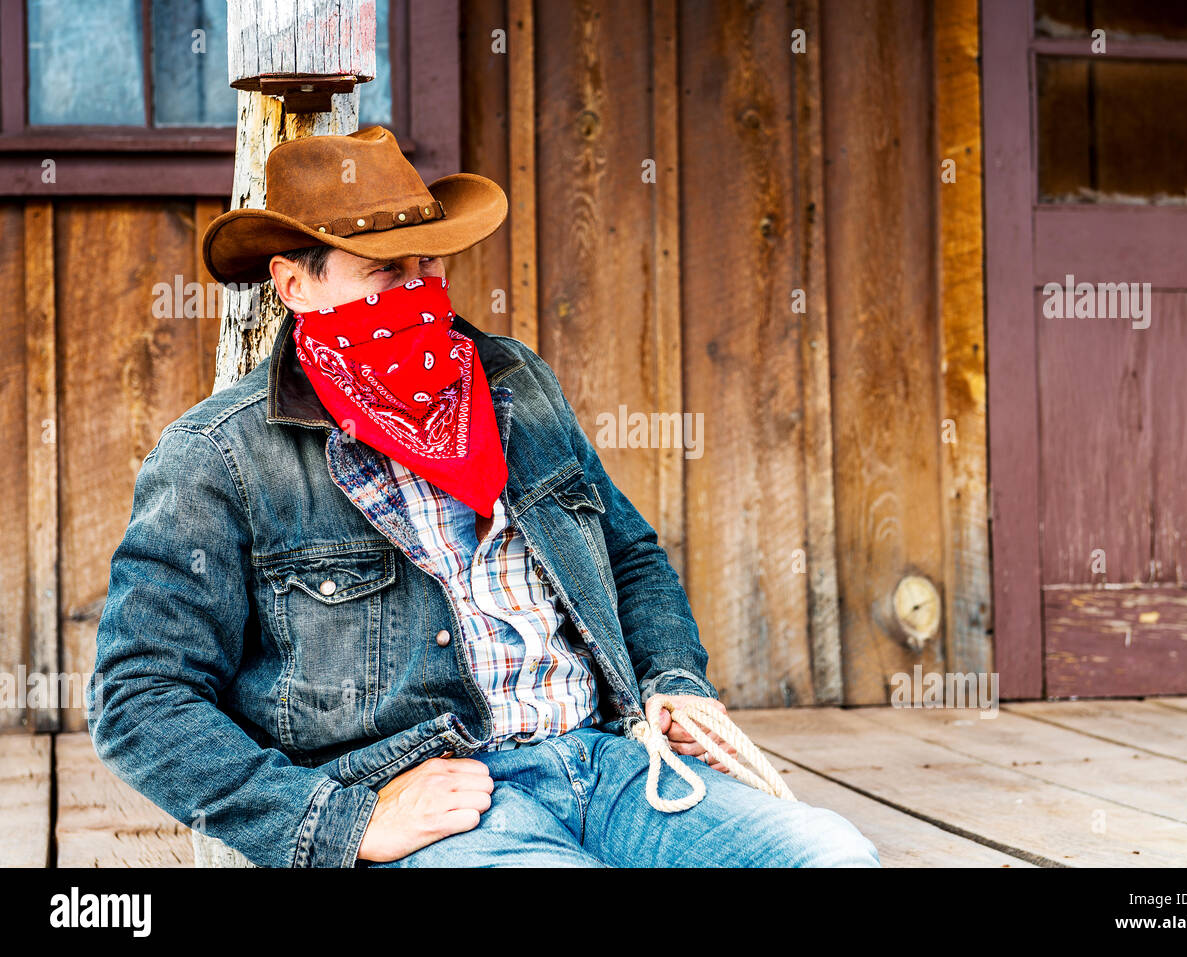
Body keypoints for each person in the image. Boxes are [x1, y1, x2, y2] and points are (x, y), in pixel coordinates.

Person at [88, 125, 882, 868]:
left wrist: (671, 679)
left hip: (610, 762)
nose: (418, 289)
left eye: (426, 264)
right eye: (383, 271)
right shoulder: (216, 458)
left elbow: (629, 553)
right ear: (296, 284)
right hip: (447, 805)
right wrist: (342, 822)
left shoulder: (513, 383)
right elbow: (140, 700)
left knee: (832, 853)